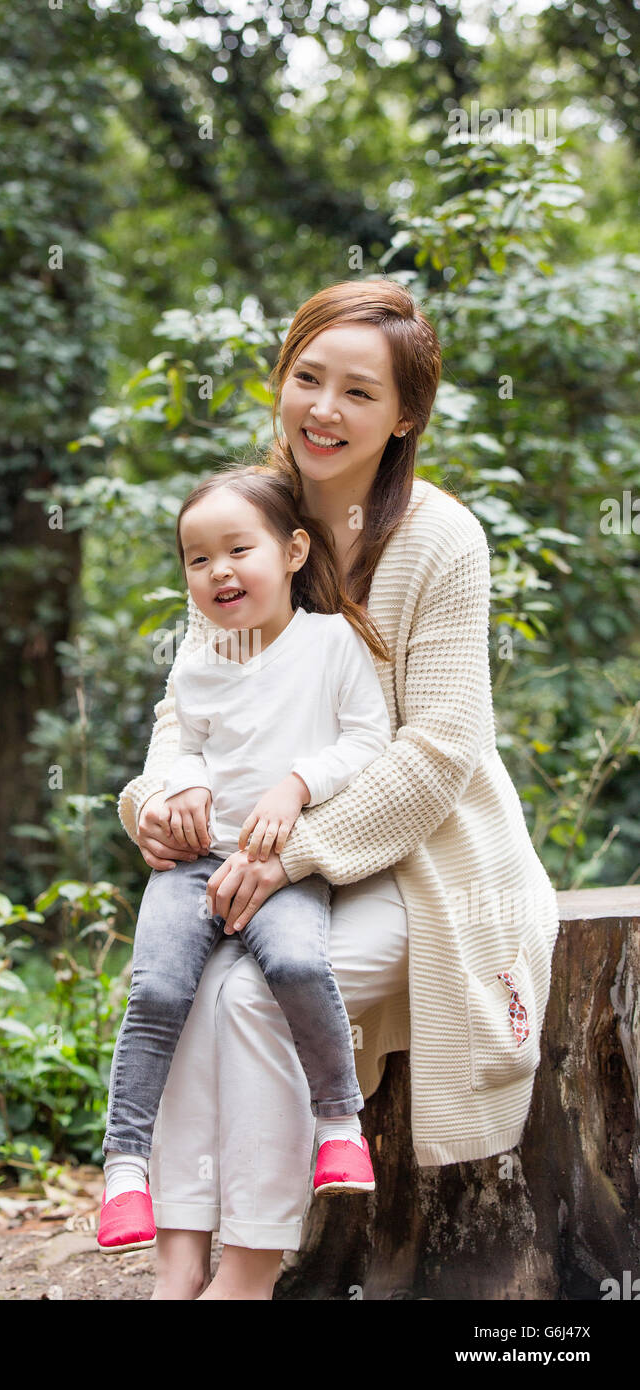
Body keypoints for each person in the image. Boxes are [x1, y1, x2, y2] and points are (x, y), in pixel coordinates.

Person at [117, 278, 561, 1300]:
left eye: (358, 392)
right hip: (255, 849)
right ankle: (171, 1265)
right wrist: (157, 802)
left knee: (250, 999)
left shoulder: (440, 540)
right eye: (306, 377)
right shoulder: (250, 521)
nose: (323, 409)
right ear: (280, 378)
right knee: (186, 985)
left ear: (404, 415)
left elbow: (438, 748)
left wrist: (287, 853)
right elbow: (188, 714)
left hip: (425, 857)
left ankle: (245, 1277)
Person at [97, 465, 396, 1254]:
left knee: (298, 966)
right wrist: (179, 789)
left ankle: (339, 1122)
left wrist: (296, 786)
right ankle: (125, 1168)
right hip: (194, 864)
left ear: (294, 549)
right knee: (158, 990)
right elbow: (182, 738)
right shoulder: (200, 659)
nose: (219, 570)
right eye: (198, 559)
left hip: (280, 862)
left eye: (238, 549)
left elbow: (368, 740)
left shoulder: (331, 643)